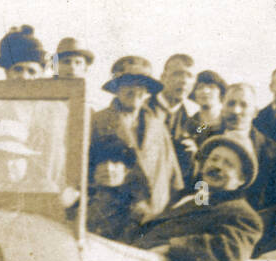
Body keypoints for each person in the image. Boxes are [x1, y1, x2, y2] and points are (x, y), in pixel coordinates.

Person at [123, 134, 264, 261]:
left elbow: (228, 253)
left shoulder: (243, 215)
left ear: (241, 179)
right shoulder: (187, 198)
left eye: (228, 164)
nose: (217, 166)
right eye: (214, 159)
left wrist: (170, 248)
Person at [89, 56, 184, 232]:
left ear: (147, 90)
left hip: (152, 222)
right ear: (116, 89)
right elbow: (83, 176)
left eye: (141, 84)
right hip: (111, 221)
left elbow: (174, 179)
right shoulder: (97, 122)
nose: (134, 90)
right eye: (127, 84)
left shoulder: (157, 126)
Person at [220, 82, 276, 210]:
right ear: (222, 108)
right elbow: (200, 184)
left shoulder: (273, 151)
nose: (236, 111)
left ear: (255, 112)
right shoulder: (205, 138)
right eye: (231, 103)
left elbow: (273, 199)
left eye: (244, 105)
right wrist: (200, 208)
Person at [149, 54, 200, 187]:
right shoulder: (144, 109)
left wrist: (197, 151)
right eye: (177, 74)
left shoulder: (195, 117)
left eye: (189, 76)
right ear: (163, 78)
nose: (183, 81)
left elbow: (204, 132)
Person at [85, 134, 144, 241]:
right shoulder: (81, 196)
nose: (108, 168)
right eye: (102, 162)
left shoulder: (134, 206)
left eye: (115, 162)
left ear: (126, 169)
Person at [185, 70, 226, 149]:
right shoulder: (192, 125)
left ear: (220, 93)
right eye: (200, 87)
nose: (205, 91)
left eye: (211, 87)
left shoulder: (229, 122)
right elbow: (203, 127)